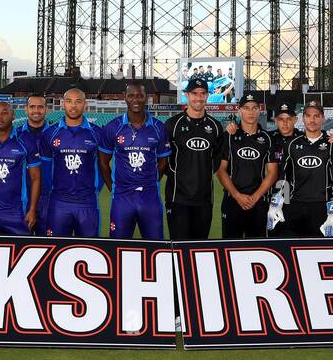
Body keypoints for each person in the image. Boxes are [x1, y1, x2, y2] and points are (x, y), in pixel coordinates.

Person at [99, 82, 170, 239]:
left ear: (147, 98)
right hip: (122, 197)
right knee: (118, 247)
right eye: (131, 95)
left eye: (139, 96)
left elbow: (163, 162)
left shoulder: (158, 127)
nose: (135, 100)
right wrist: (114, 189)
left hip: (150, 196)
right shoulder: (113, 127)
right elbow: (103, 162)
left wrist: (150, 181)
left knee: (155, 246)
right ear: (125, 98)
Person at [163, 75, 226, 239]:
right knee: (178, 248)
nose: (199, 97)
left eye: (203, 93)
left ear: (207, 96)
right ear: (187, 95)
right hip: (178, 199)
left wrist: (200, 175)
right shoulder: (172, 124)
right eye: (194, 93)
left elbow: (216, 162)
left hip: (204, 201)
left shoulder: (215, 127)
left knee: (198, 250)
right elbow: (163, 160)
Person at [38, 88, 105, 237]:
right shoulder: (50, 134)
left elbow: (103, 167)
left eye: (78, 101)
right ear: (63, 104)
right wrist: (56, 191)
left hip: (87, 203)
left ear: (85, 105)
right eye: (69, 101)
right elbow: (46, 170)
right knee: (56, 249)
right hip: (59, 202)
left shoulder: (97, 133)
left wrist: (93, 190)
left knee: (90, 249)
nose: (73, 106)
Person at [276, 101, 333, 237]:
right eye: (308, 116)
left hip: (322, 206)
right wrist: (278, 203)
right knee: (292, 250)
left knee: (320, 251)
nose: (312, 120)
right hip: (295, 206)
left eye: (316, 116)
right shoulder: (291, 144)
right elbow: (284, 177)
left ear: (323, 118)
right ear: (303, 118)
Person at [216, 91, 278, 239]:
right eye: (247, 108)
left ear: (260, 111)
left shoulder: (268, 139)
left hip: (259, 202)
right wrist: (237, 196)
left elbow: (273, 173)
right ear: (239, 111)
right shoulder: (229, 137)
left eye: (254, 108)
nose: (251, 112)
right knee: (229, 249)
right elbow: (220, 170)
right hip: (232, 200)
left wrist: (255, 197)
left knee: (257, 249)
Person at [0, 101, 42, 235]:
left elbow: (35, 178)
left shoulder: (25, 140)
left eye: (5, 113)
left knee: (19, 252)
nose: (0, 117)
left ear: (13, 116)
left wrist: (32, 209)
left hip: (16, 211)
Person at [14, 94, 53, 236]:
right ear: (26, 109)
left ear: (46, 110)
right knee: (21, 246)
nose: (36, 110)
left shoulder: (56, 134)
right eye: (32, 107)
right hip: (21, 198)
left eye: (40, 107)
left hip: (49, 200)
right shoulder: (15, 135)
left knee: (49, 248)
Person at [266, 101, 300, 237]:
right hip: (274, 199)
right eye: (281, 119)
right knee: (274, 239)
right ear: (275, 121)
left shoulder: (304, 139)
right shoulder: (268, 139)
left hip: (298, 200)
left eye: (289, 119)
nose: (285, 123)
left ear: (295, 120)